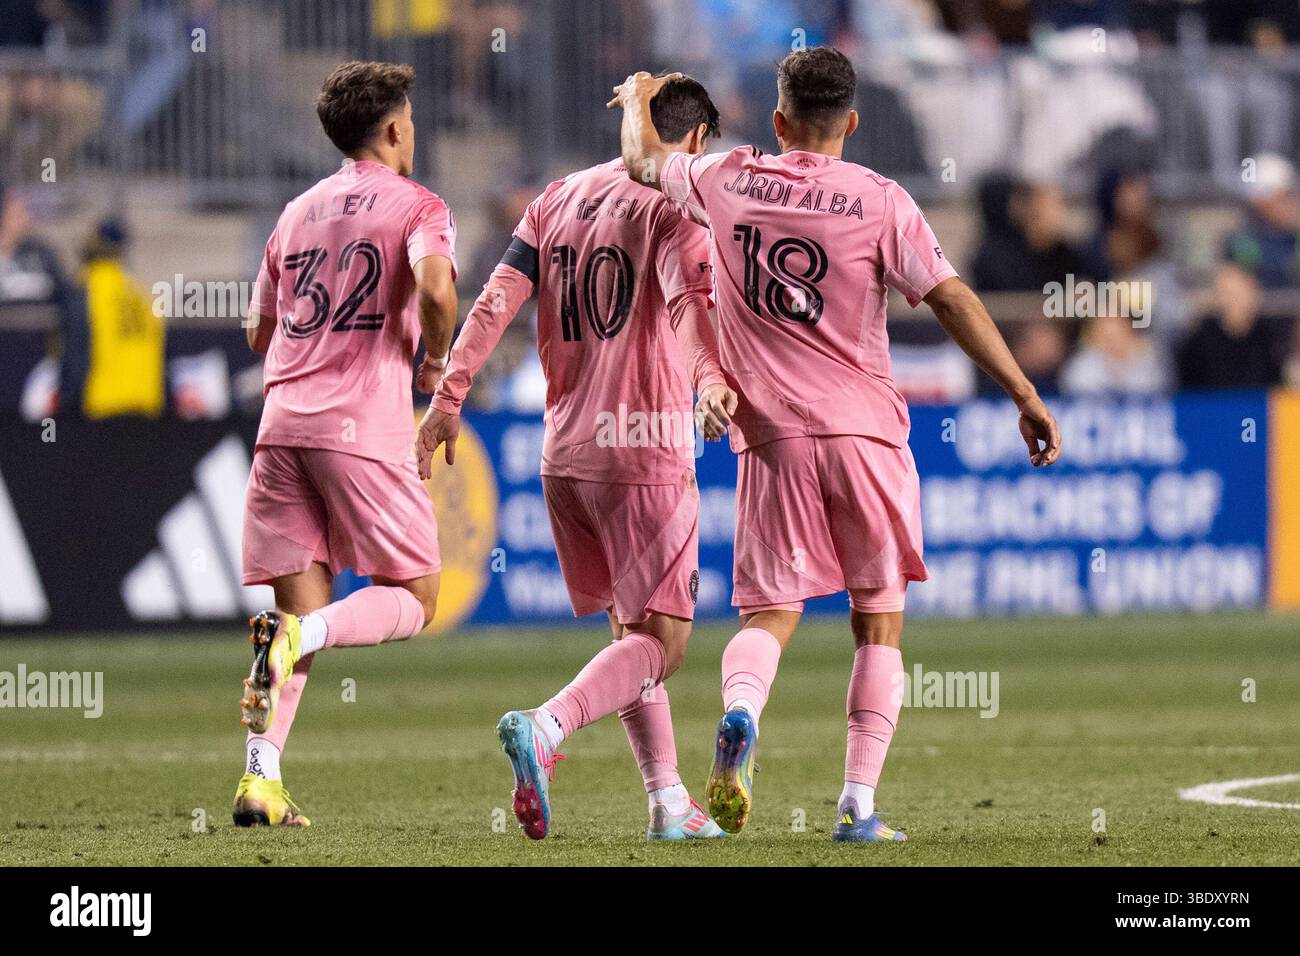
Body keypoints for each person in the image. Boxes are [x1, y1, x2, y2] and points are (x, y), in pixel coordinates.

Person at [610, 48, 1061, 843]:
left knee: (770, 613)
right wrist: (1022, 392)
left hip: (771, 436)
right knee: (878, 619)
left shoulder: (725, 177)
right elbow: (950, 298)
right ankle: (856, 804)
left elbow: (643, 161)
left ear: (779, 122)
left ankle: (742, 713)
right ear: (851, 122)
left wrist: (639, 98)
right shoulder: (881, 201)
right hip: (866, 434)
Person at [418, 77, 733, 841]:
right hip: (645, 450)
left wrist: (450, 394)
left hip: (564, 452)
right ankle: (547, 725)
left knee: (631, 636)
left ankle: (669, 804)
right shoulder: (676, 205)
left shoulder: (555, 197)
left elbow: (496, 298)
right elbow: (691, 305)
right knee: (663, 645)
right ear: (691, 142)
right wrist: (713, 381)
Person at [234, 61, 459, 827]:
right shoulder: (418, 204)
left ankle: (260, 780)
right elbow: (435, 291)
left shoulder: (294, 213)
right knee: (417, 598)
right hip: (359, 429)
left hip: (280, 429)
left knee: (299, 614)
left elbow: (257, 330)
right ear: (395, 128)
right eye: (413, 120)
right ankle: (298, 634)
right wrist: (433, 363)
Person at [80, 220, 166, 419]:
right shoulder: (142, 294)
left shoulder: (89, 285)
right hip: (146, 405)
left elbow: (78, 352)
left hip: (104, 403)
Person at [1177, 262, 1284, 390]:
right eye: (1226, 294)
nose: (1232, 301)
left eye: (1238, 293)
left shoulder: (1272, 340)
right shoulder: (1198, 345)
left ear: (1253, 293)